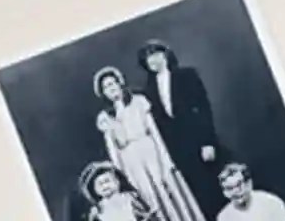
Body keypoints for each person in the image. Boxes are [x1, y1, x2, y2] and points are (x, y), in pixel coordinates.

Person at [94, 66, 205, 221]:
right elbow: (113, 150)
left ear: (120, 83)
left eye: (113, 83)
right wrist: (120, 176)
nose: (111, 88)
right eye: (106, 87)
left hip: (151, 152)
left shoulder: (139, 101)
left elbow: (154, 133)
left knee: (165, 191)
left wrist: (166, 161)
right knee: (147, 197)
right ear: (103, 93)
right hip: (131, 162)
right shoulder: (106, 117)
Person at [138, 40, 226, 217]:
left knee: (213, 187)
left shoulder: (187, 76)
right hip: (176, 150)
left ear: (165, 54)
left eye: (156, 55)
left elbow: (203, 108)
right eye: (148, 59)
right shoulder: (147, 90)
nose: (153, 61)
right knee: (194, 193)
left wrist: (208, 142)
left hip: (199, 141)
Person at [79, 161, 157, 221]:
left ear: (117, 181)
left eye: (107, 181)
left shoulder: (130, 198)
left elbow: (146, 214)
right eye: (100, 184)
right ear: (94, 190)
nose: (105, 186)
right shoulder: (98, 210)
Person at [215, 164, 285, 221]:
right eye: (230, 188)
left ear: (248, 184)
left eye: (239, 185)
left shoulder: (270, 203)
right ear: (225, 193)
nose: (236, 191)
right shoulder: (223, 217)